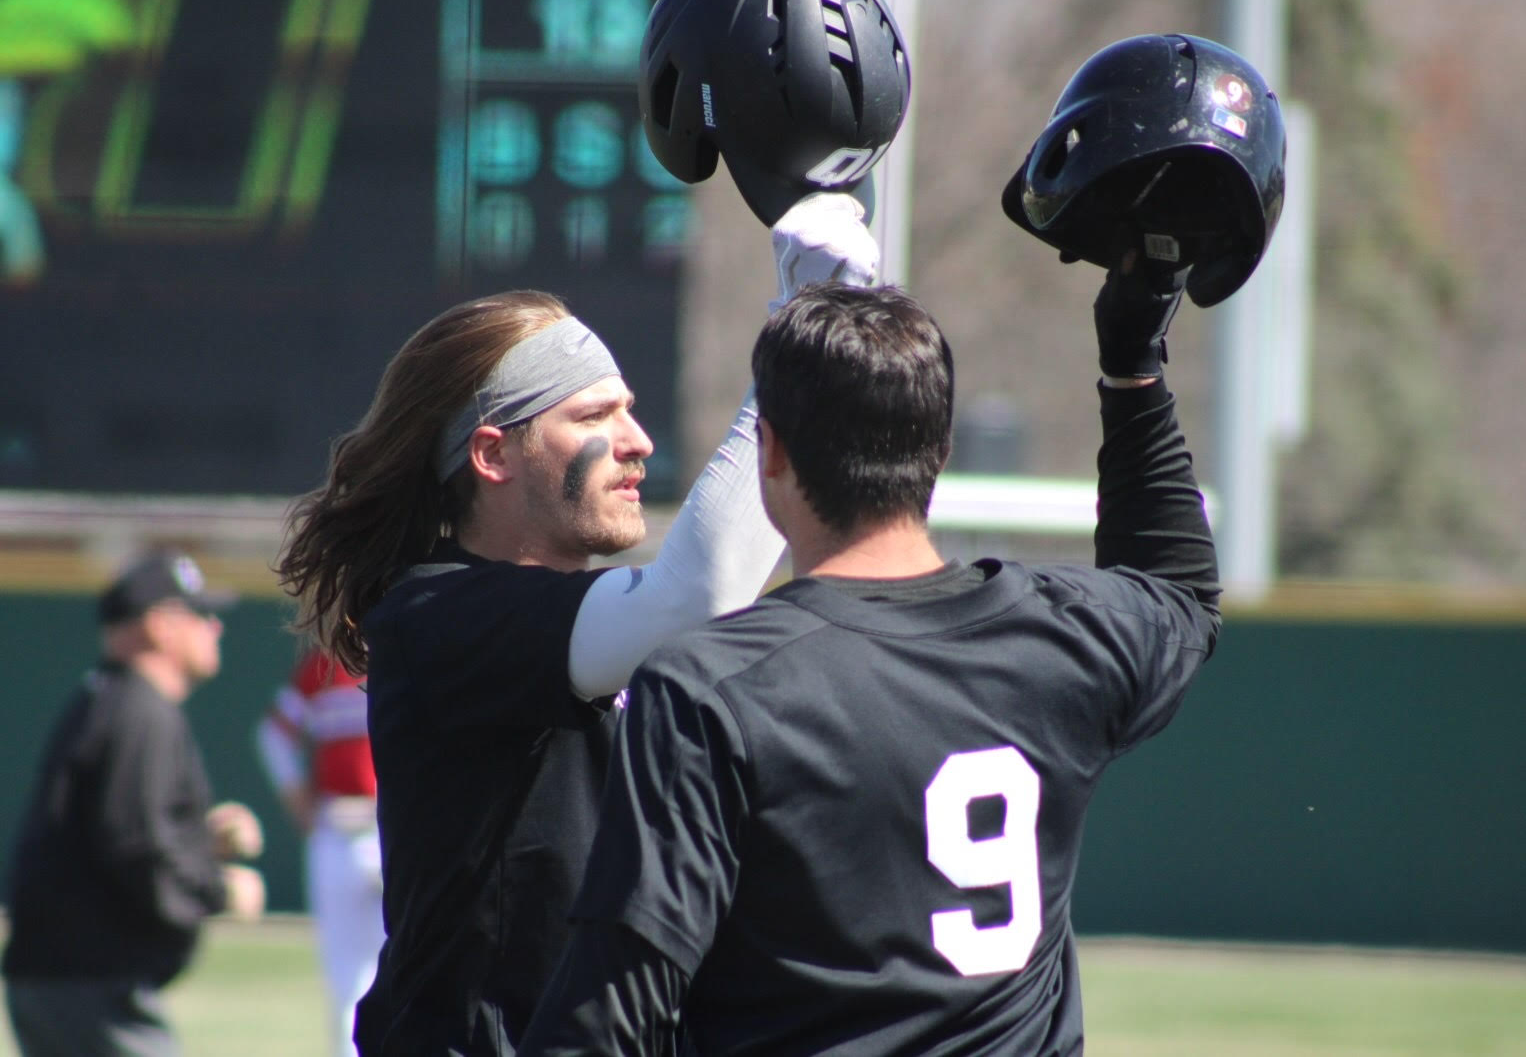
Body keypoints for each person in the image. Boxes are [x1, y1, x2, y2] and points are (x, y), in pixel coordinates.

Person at [519, 258, 1223, 1055]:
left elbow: (614, 1010)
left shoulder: (714, 688)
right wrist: (1133, 369)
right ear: (940, 448)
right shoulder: (1062, 636)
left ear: (772, 454)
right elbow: (1181, 592)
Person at [273, 194, 880, 1055]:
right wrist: (793, 341)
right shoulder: (438, 616)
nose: (636, 441)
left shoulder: (590, 620)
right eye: (595, 416)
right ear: (491, 455)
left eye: (630, 410)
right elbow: (700, 595)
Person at [2, 549, 267, 1057]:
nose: (215, 627)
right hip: (88, 983)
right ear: (161, 626)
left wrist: (201, 841)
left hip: (66, 976)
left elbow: (108, 830)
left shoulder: (110, 701)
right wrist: (217, 889)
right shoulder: (139, 714)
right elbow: (134, 846)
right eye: (200, 615)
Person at [255, 648, 383, 1057]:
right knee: (347, 980)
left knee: (414, 964)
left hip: (394, 830)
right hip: (338, 828)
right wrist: (299, 801)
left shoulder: (417, 647)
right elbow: (274, 734)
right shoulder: (324, 665)